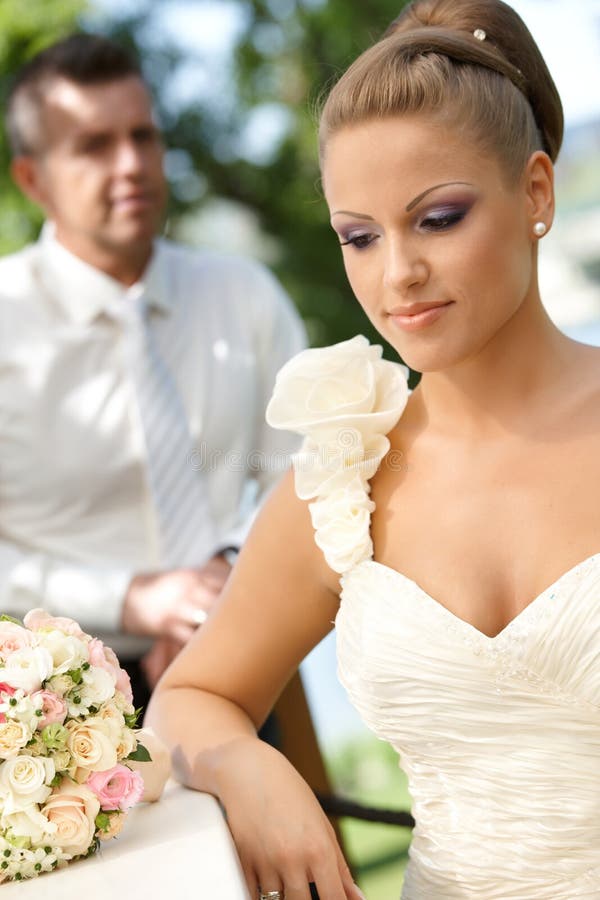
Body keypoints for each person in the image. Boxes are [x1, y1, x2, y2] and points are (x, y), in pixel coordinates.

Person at [149, 1, 600, 897]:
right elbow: (190, 700)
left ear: (537, 193)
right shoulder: (345, 478)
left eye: (438, 218)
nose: (396, 275)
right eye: (358, 236)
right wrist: (251, 771)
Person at [0, 34, 305, 710]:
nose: (132, 163)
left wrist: (226, 573)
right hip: (50, 711)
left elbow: (305, 464)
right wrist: (133, 601)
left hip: (249, 656)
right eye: (93, 145)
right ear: (32, 179)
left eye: (143, 136)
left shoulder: (243, 294)